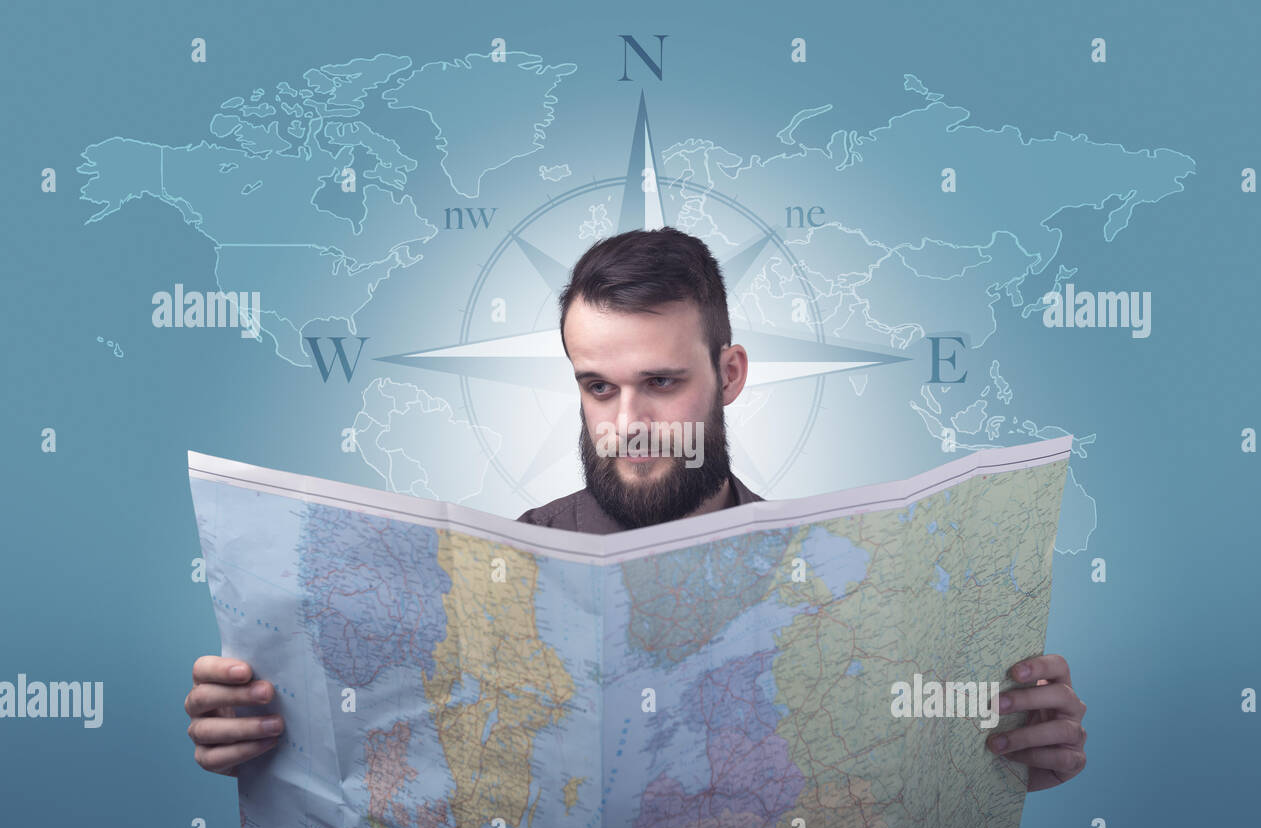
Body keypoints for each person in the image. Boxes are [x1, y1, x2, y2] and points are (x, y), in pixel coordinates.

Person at [187, 228, 1086, 794]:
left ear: (728, 376)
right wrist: (266, 738)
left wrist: (1005, 762)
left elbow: (896, 779)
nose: (630, 426)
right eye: (597, 386)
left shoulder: (839, 580)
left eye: (661, 382)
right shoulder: (481, 581)